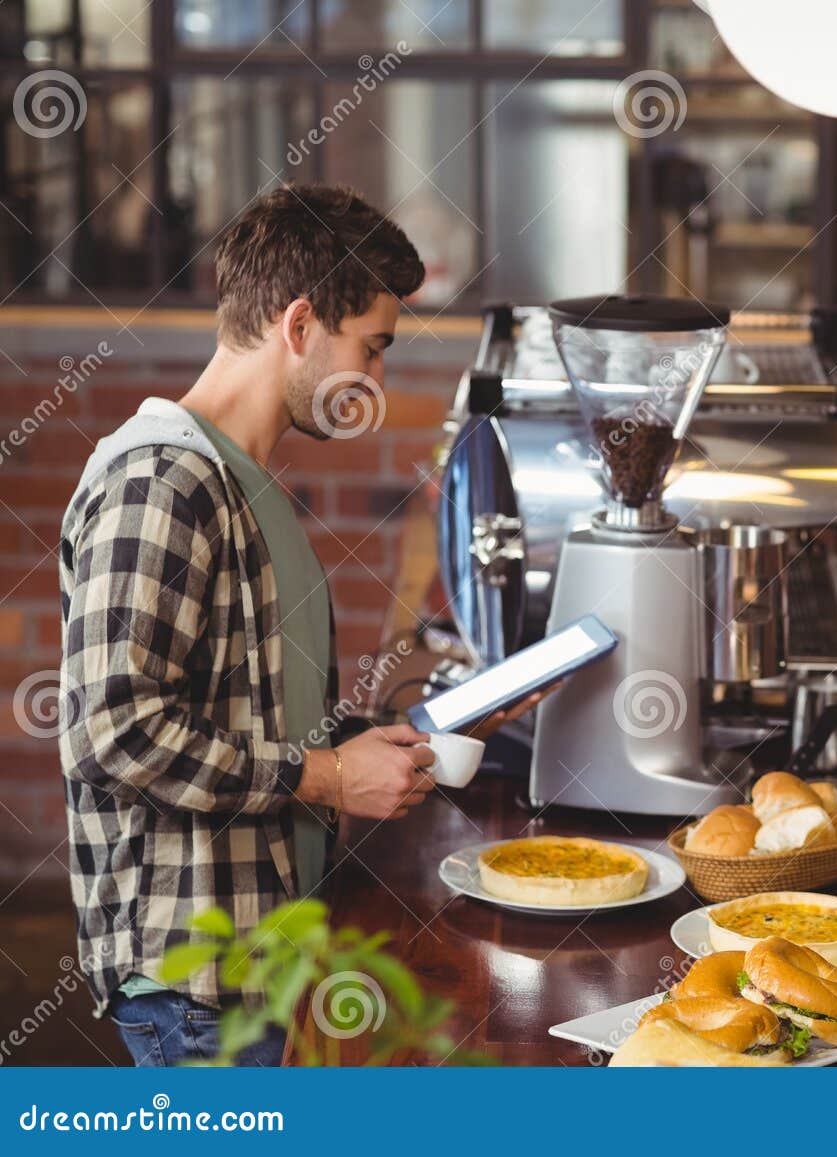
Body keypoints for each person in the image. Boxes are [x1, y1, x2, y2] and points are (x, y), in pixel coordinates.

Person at [58, 186, 545, 1066]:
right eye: (372, 348)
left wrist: (399, 738)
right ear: (299, 323)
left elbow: (250, 715)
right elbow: (113, 731)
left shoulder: (243, 481)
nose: (377, 380)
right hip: (199, 989)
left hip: (269, 961)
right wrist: (329, 775)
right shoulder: (163, 481)